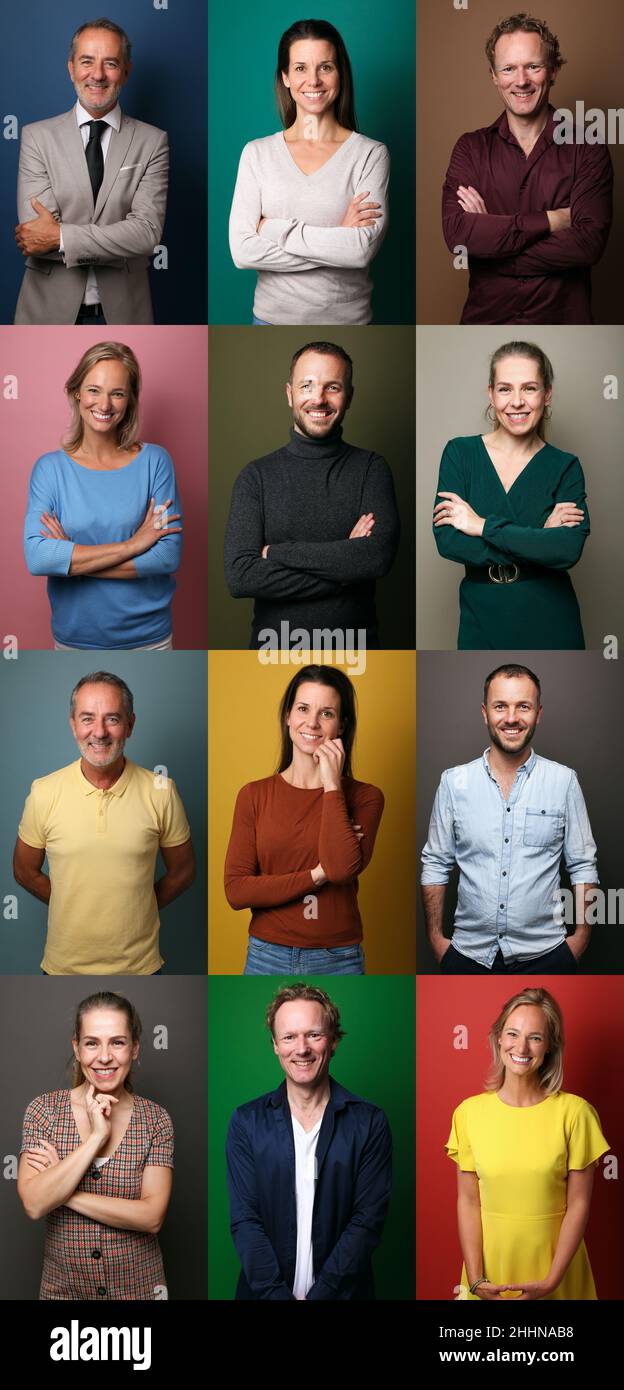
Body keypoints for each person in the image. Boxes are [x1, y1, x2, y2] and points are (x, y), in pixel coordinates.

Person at [13, 672, 195, 974]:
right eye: (87, 719)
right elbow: (23, 870)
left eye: (112, 719)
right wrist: (68, 905)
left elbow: (184, 871)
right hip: (62, 969)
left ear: (130, 725)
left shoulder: (162, 790)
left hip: (141, 969)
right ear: (73, 725)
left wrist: (139, 908)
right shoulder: (44, 791)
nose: (99, 732)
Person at [421, 664, 598, 974]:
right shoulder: (452, 783)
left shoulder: (564, 782)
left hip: (549, 956)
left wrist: (580, 938)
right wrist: (436, 939)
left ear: (538, 713)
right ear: (485, 712)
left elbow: (583, 865)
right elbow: (435, 863)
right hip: (468, 957)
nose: (512, 718)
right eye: (500, 706)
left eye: (523, 707)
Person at [223, 341, 400, 650]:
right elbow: (241, 577)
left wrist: (277, 553)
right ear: (290, 393)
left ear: (350, 396)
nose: (319, 399)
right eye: (307, 386)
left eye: (332, 387)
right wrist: (345, 569)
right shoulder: (256, 476)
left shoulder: (372, 468)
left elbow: (376, 559)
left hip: (356, 652)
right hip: (274, 652)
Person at [442, 12, 613, 325]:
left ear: (553, 70)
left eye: (533, 66)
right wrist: (553, 219)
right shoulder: (470, 149)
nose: (520, 81)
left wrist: (492, 244)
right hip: (483, 325)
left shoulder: (588, 147)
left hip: (565, 326)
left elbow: (588, 245)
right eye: (508, 69)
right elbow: (459, 239)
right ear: (494, 76)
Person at [226, 983, 392, 1299]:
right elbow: (245, 1220)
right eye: (289, 1037)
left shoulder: (369, 1122)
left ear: (333, 1041)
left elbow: (367, 1222)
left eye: (313, 1035)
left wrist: (323, 1295)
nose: (301, 1048)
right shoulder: (247, 1122)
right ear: (275, 1044)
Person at [447, 988, 609, 1300]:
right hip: (487, 1273)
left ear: (550, 1046)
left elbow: (579, 1204)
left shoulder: (576, 1114)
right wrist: (476, 1278)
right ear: (498, 1038)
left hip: (557, 1272)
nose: (521, 1046)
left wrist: (552, 1280)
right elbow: (468, 1202)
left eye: (535, 1037)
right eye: (513, 1033)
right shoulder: (468, 1113)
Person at [224, 665, 384, 975]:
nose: (311, 722)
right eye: (303, 708)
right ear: (287, 716)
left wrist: (332, 785)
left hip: (339, 958)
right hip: (266, 955)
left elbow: (340, 869)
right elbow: (237, 891)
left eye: (326, 713)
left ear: (341, 725)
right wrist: (316, 874)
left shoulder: (366, 797)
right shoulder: (253, 795)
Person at [23, 341, 183, 651]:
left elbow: (166, 556)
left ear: (130, 401)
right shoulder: (49, 469)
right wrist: (133, 545)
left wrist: (70, 558)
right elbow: (38, 557)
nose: (105, 405)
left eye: (117, 393)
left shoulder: (156, 462)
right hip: (74, 639)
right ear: (77, 392)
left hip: (149, 639)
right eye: (94, 390)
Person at [229, 18, 389, 324]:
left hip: (348, 324)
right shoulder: (256, 153)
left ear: (340, 74)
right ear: (285, 77)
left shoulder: (370, 154)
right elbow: (242, 252)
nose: (313, 80)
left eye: (325, 67)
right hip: (270, 322)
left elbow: (359, 252)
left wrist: (271, 229)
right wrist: (336, 238)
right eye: (301, 67)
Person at [432, 340, 588, 649]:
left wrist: (482, 527)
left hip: (551, 619)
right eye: (505, 389)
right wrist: (538, 539)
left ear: (547, 393)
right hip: (481, 616)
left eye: (529, 388)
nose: (516, 401)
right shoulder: (460, 453)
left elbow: (567, 550)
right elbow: (449, 541)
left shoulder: (565, 466)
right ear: (490, 393)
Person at [17, 991, 173, 1300]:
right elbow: (34, 1204)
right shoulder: (44, 1111)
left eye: (117, 1042)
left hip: (140, 1290)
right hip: (64, 1292)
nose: (104, 1057)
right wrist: (95, 1139)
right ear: (76, 1048)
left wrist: (62, 1192)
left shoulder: (155, 1119)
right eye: (92, 1043)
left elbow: (152, 1216)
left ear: (135, 1048)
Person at [14, 18, 169, 325]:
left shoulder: (153, 141)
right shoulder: (37, 137)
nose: (97, 75)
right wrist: (116, 239)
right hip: (46, 312)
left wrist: (60, 236)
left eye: (110, 63)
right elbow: (35, 236)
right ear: (71, 68)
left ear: (126, 71)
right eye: (87, 61)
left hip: (127, 313)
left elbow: (146, 235)